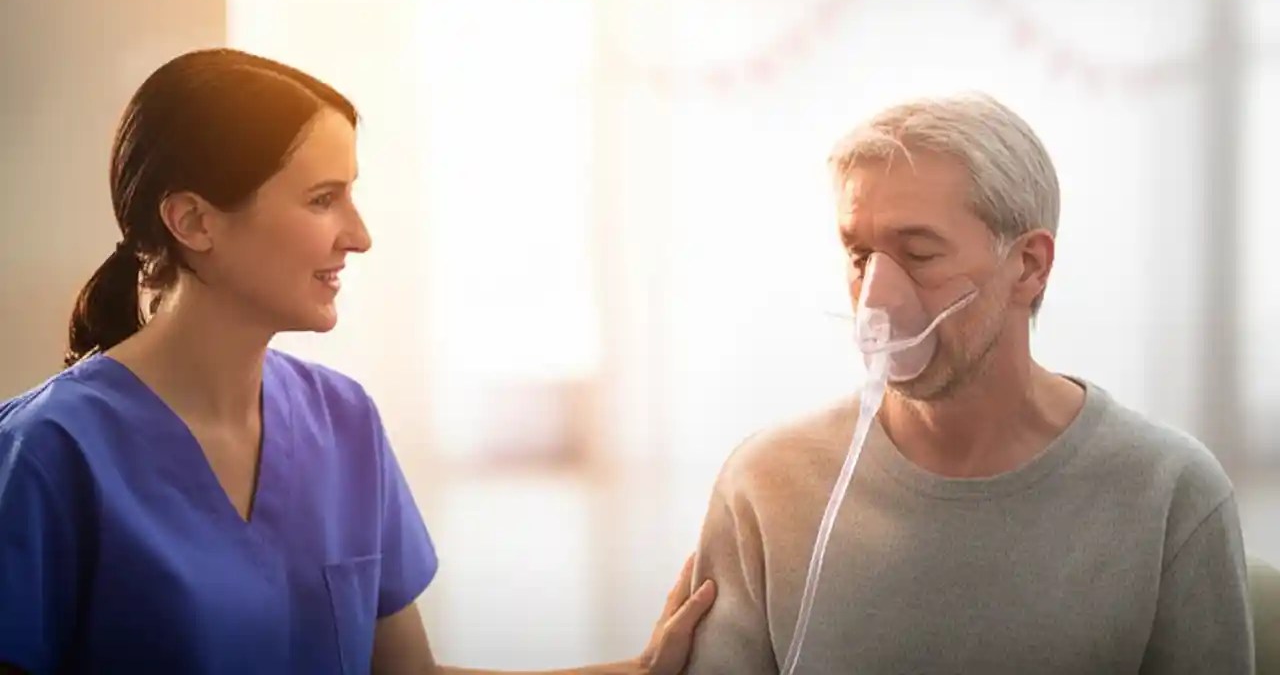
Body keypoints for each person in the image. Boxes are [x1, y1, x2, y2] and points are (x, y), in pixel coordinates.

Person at [0, 48, 715, 675]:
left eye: (352, 194)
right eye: (323, 199)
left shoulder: (345, 423)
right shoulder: (45, 455)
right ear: (193, 220)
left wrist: (637, 672)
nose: (361, 236)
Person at [683, 93, 1255, 673]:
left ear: (1029, 266)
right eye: (860, 257)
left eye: (920, 254)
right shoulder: (767, 485)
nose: (878, 297)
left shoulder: (1168, 494)